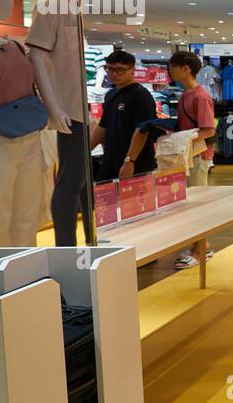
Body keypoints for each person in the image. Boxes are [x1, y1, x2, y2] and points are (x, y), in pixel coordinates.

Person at [169, 50, 218, 270]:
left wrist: (182, 138)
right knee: (189, 203)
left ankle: (201, 248)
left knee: (197, 203)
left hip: (197, 155)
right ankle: (197, 246)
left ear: (185, 68)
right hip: (187, 156)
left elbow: (208, 129)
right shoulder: (186, 95)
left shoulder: (200, 96)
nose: (170, 71)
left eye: (173, 66)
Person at [90, 50, 157, 181]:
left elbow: (142, 131)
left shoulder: (141, 95)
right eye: (109, 69)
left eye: (120, 70)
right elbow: (103, 126)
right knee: (105, 198)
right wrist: (86, 150)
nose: (114, 74)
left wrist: (129, 161)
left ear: (132, 70)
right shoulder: (110, 95)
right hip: (110, 159)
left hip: (136, 163)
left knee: (133, 199)